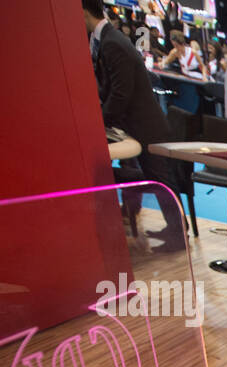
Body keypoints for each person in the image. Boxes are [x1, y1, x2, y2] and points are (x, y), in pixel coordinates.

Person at [82, 0, 187, 251]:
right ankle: (174, 230)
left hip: (146, 126)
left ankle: (177, 237)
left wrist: (101, 122)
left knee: (161, 181)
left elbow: (120, 93)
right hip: (141, 125)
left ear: (83, 12)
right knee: (157, 178)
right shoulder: (108, 39)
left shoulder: (111, 42)